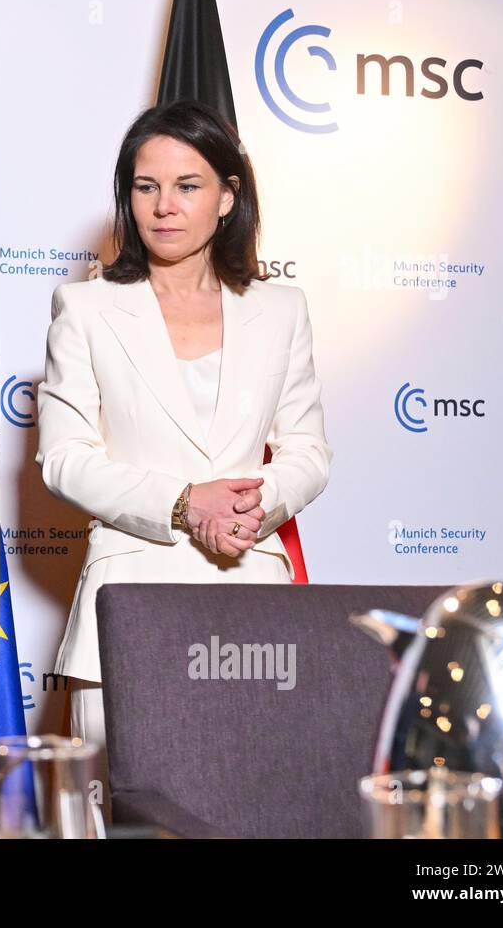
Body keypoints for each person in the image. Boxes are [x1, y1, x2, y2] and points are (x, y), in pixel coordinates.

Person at [35, 99, 332, 760]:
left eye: (187, 186)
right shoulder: (86, 308)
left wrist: (252, 508)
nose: (164, 206)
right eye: (146, 187)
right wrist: (182, 503)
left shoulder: (281, 310)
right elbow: (64, 458)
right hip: (131, 601)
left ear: (228, 197)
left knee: (253, 806)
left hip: (253, 590)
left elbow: (308, 451)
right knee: (127, 815)